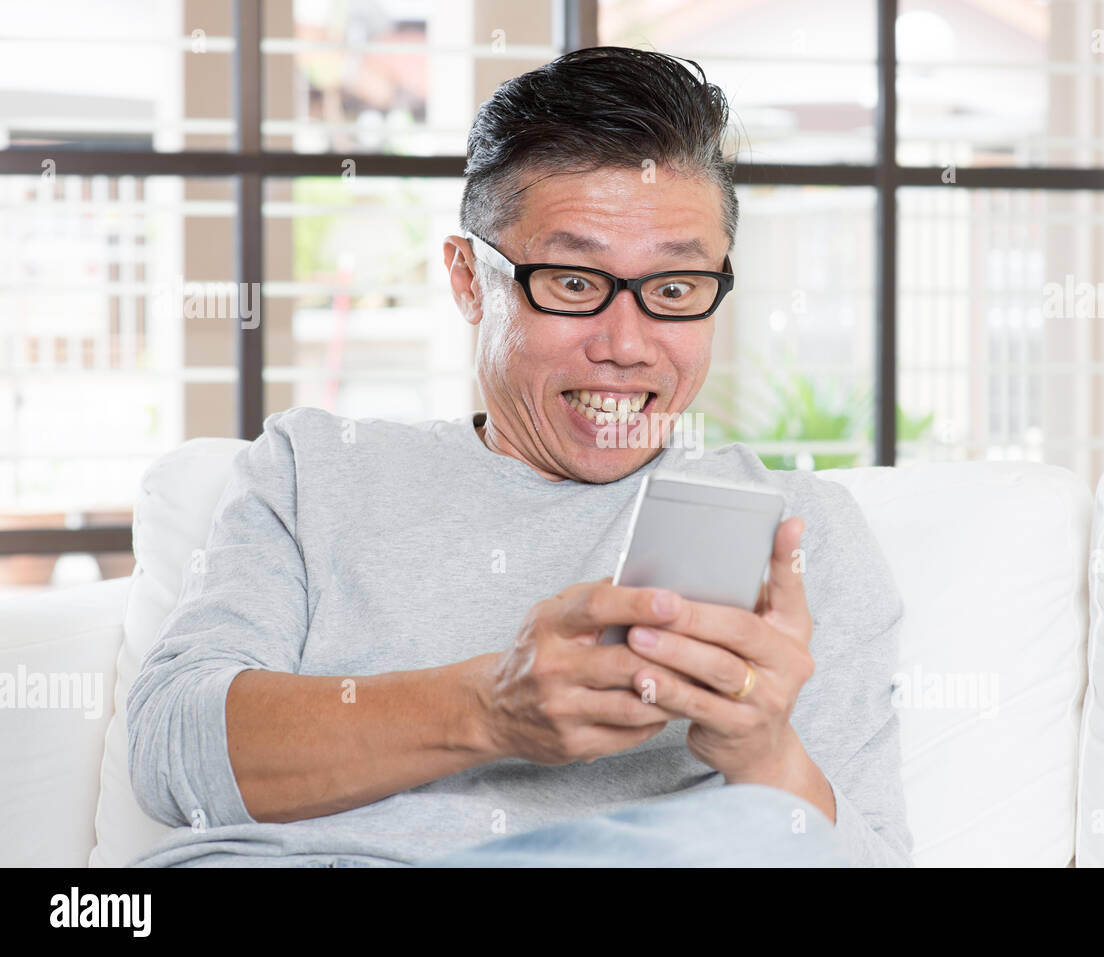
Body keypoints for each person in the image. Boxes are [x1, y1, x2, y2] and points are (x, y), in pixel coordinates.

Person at [126, 46, 911, 867]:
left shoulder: (796, 534)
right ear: (469, 278)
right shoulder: (314, 469)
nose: (626, 344)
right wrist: (487, 707)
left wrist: (762, 750)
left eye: (675, 290)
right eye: (573, 282)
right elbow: (170, 754)